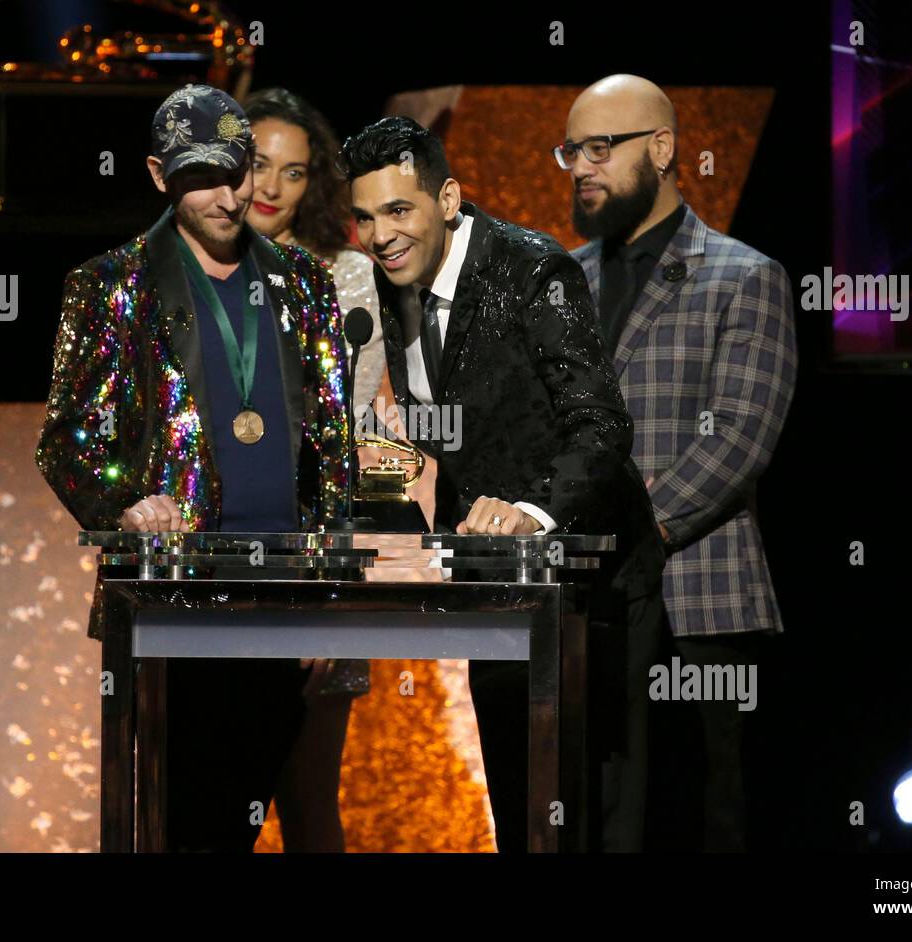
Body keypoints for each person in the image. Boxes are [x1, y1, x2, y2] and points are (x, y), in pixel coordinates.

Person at [34, 83, 350, 852]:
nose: (227, 193)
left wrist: (330, 592)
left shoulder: (305, 283)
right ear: (156, 174)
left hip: (283, 598)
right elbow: (68, 439)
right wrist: (128, 507)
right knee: (183, 822)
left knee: (252, 812)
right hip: (172, 597)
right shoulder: (110, 285)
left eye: (235, 172)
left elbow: (335, 451)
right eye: (200, 175)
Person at [341, 116, 666, 852]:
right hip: (497, 584)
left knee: (596, 819)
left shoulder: (532, 269)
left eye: (398, 210)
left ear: (447, 197)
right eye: (363, 217)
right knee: (523, 811)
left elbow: (602, 425)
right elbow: (449, 432)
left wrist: (528, 509)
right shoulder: (394, 284)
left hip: (596, 584)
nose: (379, 234)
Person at [562, 74, 798, 851]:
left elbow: (737, 438)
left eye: (601, 148)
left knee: (699, 817)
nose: (582, 168)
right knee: (595, 813)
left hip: (697, 596)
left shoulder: (744, 276)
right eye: (572, 152)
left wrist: (635, 530)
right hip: (581, 599)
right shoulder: (564, 281)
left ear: (663, 149)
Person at [242, 87, 380, 852]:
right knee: (204, 806)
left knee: (309, 807)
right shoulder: (188, 263)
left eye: (293, 173)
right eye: (258, 165)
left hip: (314, 558)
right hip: (211, 562)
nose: (269, 188)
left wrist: (320, 582)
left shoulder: (346, 278)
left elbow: (339, 436)